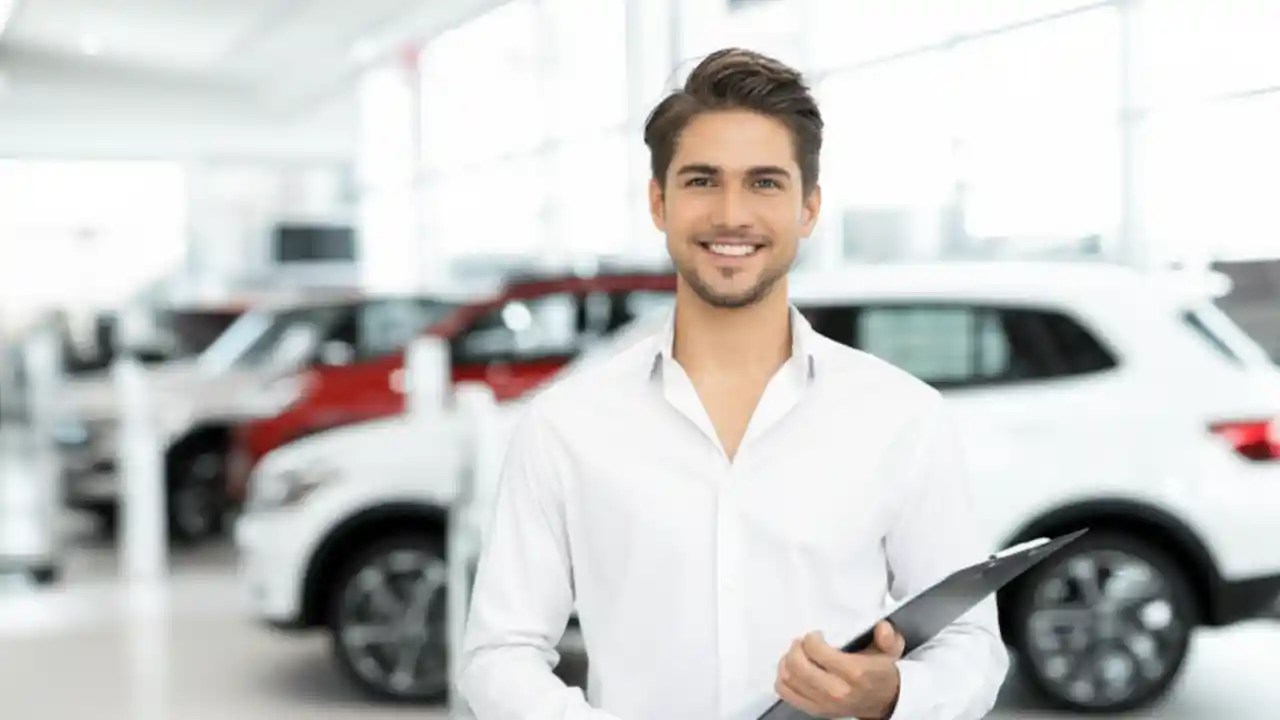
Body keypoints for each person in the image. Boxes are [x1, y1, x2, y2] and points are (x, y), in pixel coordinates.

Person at [459, 47, 1009, 720]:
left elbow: (971, 646)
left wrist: (896, 695)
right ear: (659, 202)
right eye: (701, 181)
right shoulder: (566, 425)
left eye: (765, 183)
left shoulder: (903, 416)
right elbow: (500, 653)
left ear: (808, 208)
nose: (731, 214)